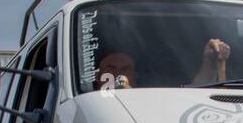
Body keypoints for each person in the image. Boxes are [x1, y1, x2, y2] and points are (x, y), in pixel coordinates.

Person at [94, 38, 231, 90]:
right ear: (97, 75)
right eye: (110, 68)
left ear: (135, 76)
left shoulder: (151, 101)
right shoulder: (81, 103)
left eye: (125, 69)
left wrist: (211, 62)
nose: (118, 74)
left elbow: (198, 92)